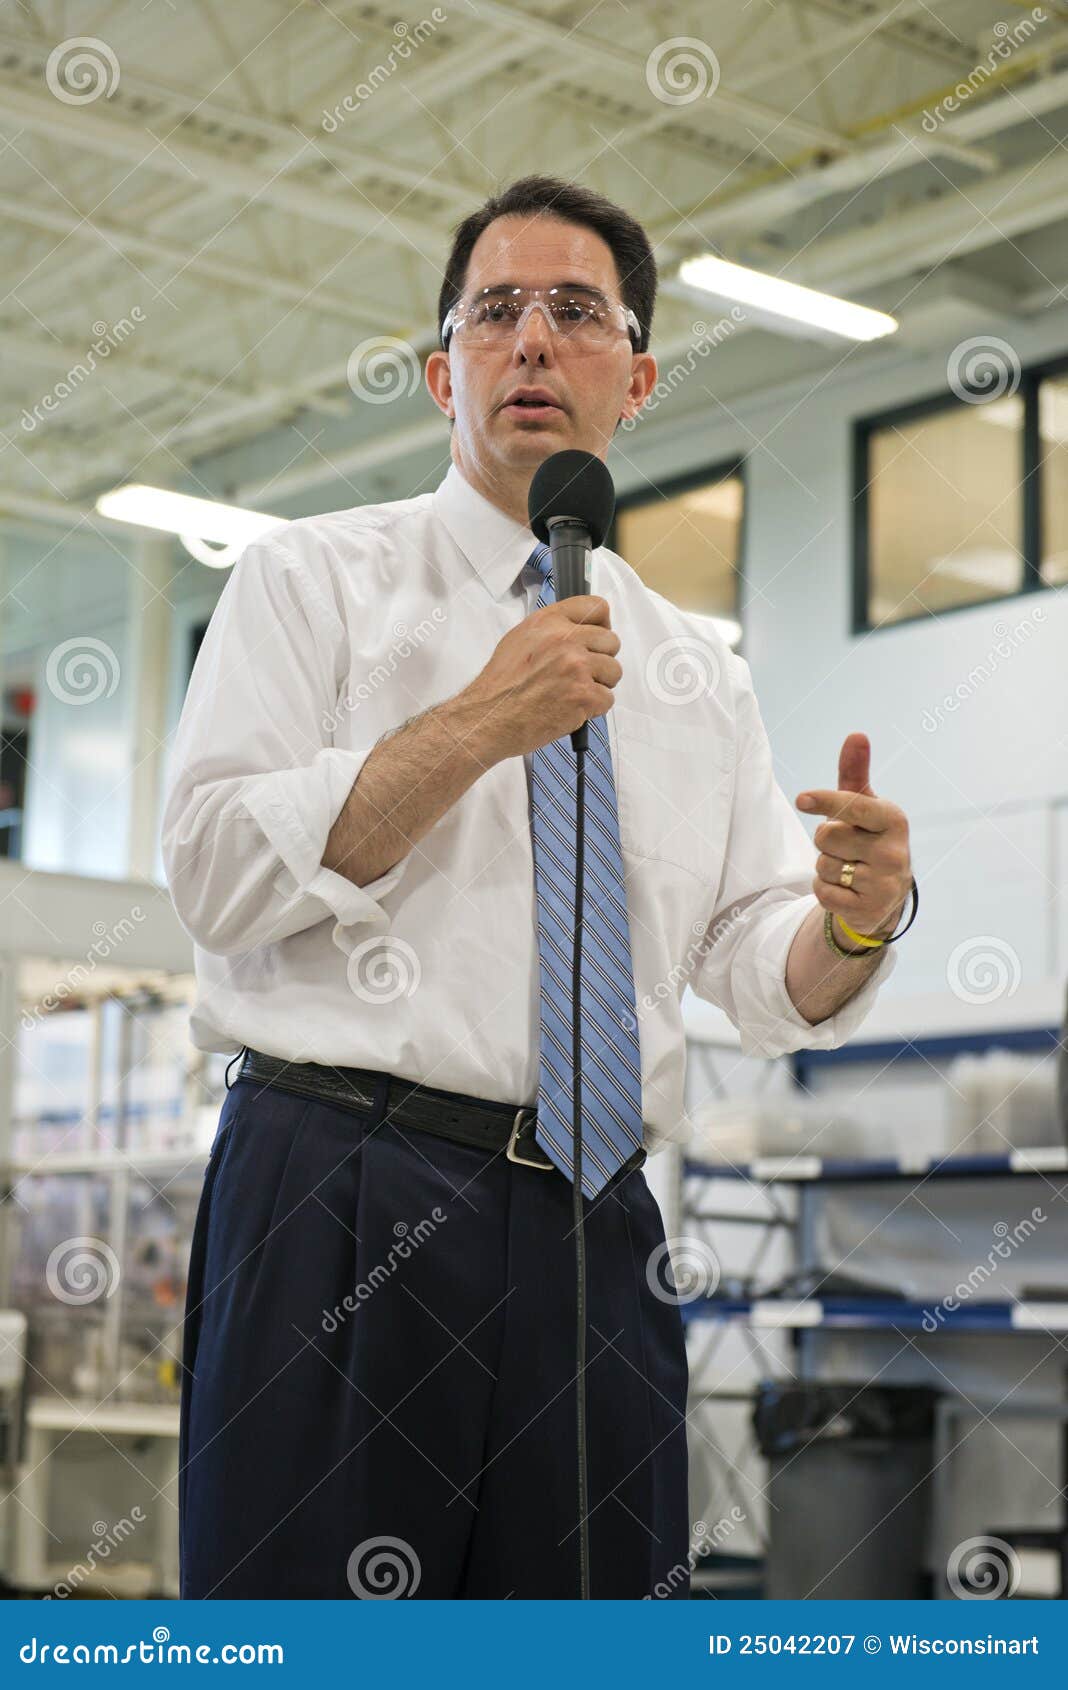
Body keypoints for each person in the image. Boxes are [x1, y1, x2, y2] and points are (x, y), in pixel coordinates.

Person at [161, 175, 914, 1600]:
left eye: (575, 313)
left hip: (597, 1226)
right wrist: (474, 725)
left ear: (632, 381)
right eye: (494, 311)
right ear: (444, 371)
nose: (530, 342)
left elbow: (756, 967)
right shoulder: (307, 581)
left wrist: (857, 916)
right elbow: (210, 870)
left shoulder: (698, 669)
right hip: (342, 1190)